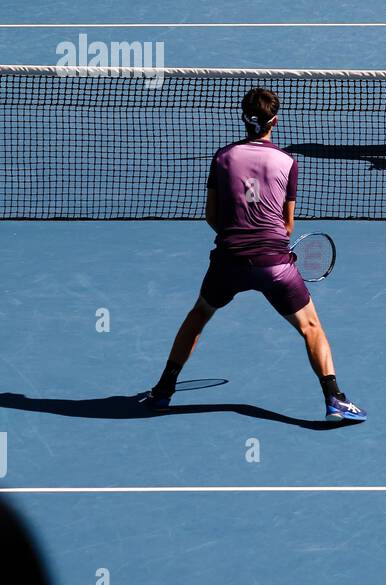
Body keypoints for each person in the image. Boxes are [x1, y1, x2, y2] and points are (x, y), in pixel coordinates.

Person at [142, 88, 365, 422]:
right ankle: (334, 399)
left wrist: (236, 239)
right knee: (311, 327)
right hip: (274, 266)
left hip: (228, 262)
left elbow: (212, 216)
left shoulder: (222, 158)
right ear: (275, 120)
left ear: (243, 118)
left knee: (199, 314)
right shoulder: (288, 162)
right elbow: (287, 226)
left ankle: (163, 391)